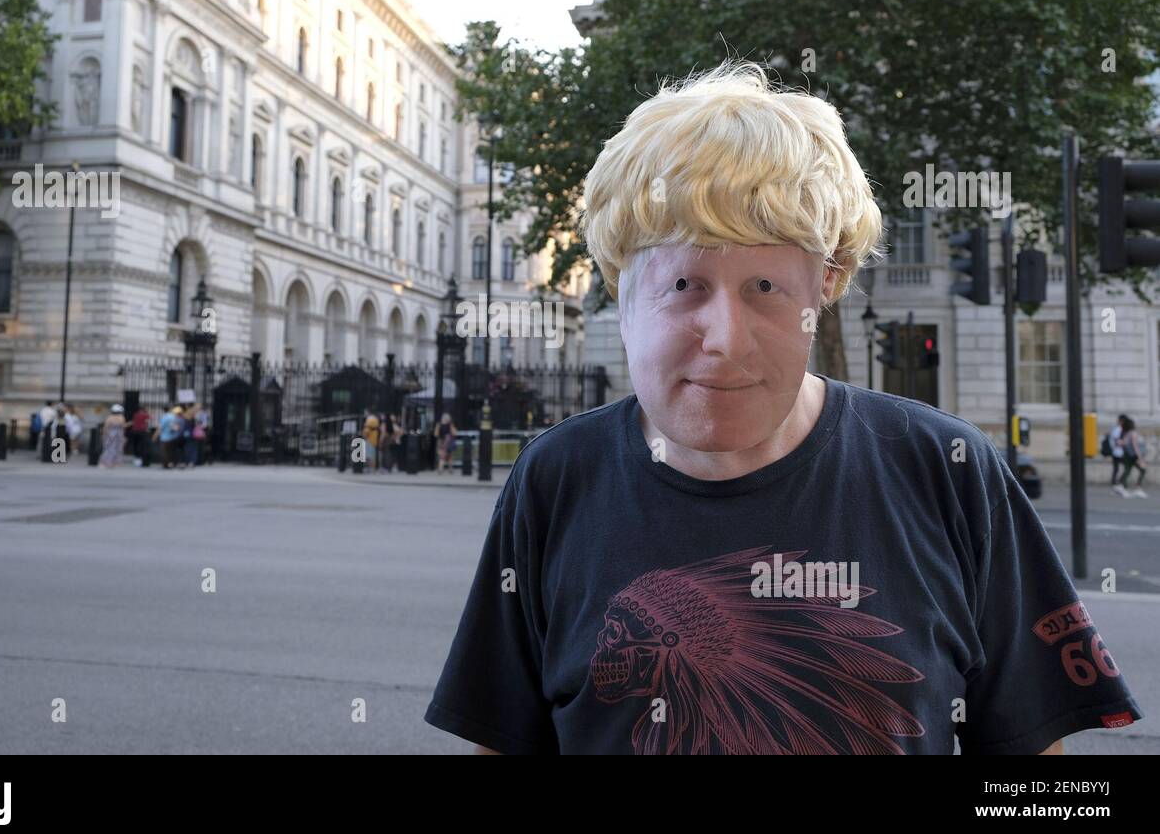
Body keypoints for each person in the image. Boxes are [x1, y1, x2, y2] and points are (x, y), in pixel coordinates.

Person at [423, 60, 1143, 756]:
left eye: (766, 286)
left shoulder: (948, 472)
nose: (726, 342)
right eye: (682, 285)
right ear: (620, 291)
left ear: (826, 285)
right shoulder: (556, 478)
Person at [1115, 416, 1148, 499]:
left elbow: (1124, 442)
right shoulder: (1132, 433)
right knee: (1142, 470)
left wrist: (1119, 442)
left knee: (1127, 470)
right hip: (1133, 455)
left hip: (1128, 455)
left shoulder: (1127, 432)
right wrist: (1140, 458)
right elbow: (1135, 446)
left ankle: (1121, 486)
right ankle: (1137, 488)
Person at [100, 404, 126, 468]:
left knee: (108, 448)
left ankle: (106, 462)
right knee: (117, 448)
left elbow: (106, 427)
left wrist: (104, 435)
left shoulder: (109, 417)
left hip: (110, 433)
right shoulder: (121, 417)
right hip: (118, 434)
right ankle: (114, 462)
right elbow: (123, 427)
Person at [1107, 414, 1126, 487]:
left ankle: (1115, 482)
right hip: (1118, 452)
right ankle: (1118, 482)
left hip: (1117, 452)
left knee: (1116, 468)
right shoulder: (1118, 429)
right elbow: (1116, 441)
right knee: (1124, 468)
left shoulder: (1117, 428)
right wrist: (1124, 443)